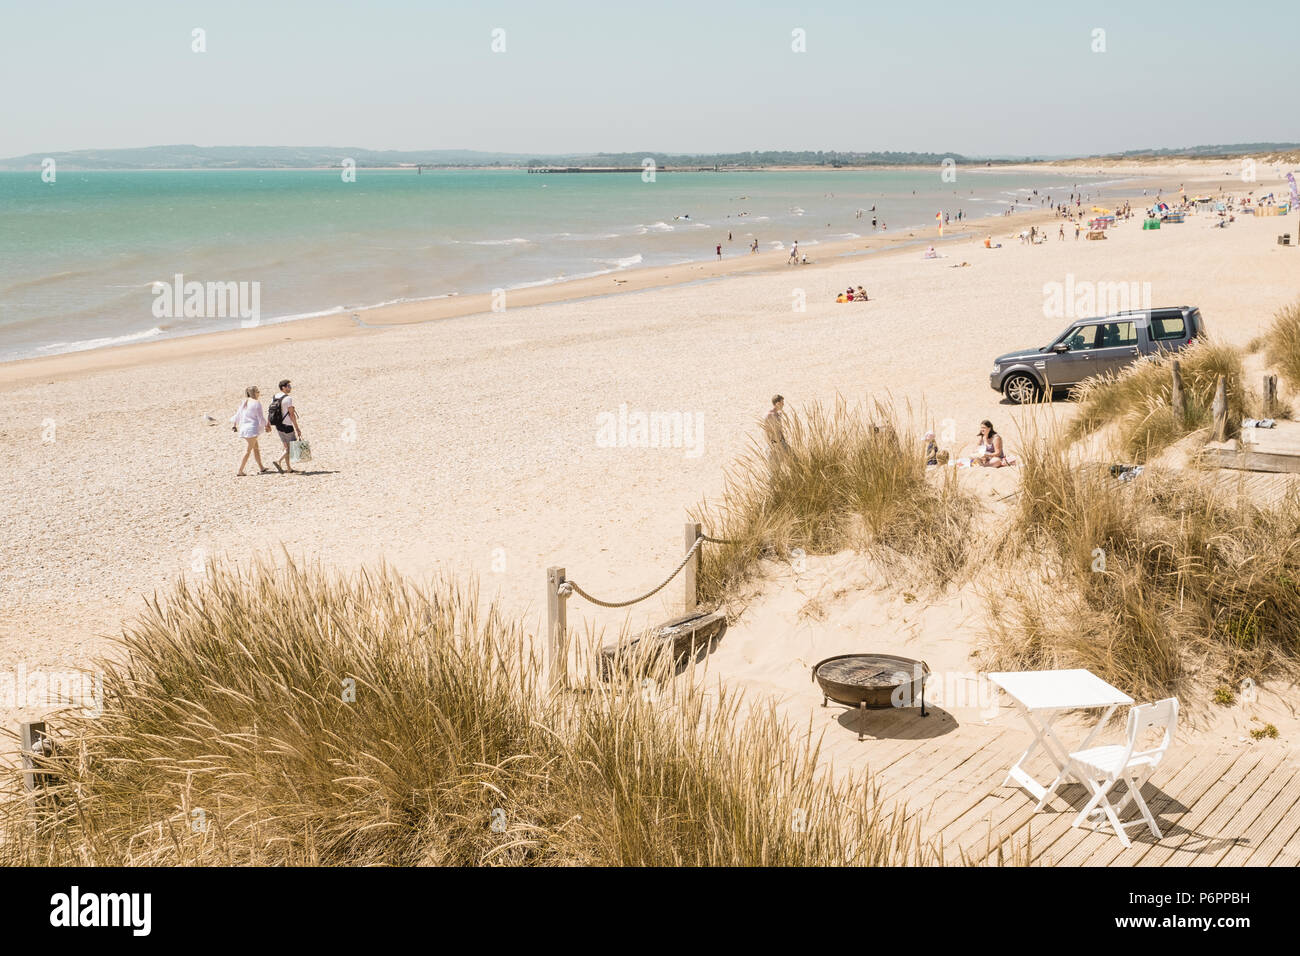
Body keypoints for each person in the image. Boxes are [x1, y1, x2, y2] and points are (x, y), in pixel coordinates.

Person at [230, 385, 271, 476]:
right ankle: (239, 470)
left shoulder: (244, 402)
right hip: (251, 430)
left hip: (244, 428)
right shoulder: (256, 403)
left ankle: (261, 467)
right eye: (258, 391)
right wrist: (266, 426)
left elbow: (237, 415)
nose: (259, 393)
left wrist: (234, 425)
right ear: (255, 393)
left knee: (256, 448)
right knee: (247, 451)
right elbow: (260, 418)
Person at [269, 378, 303, 474]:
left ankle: (289, 468)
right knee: (291, 448)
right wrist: (297, 428)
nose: (290, 388)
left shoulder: (275, 396)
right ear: (283, 387)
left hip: (278, 425)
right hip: (287, 425)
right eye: (288, 386)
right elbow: (292, 415)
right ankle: (278, 460)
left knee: (286, 446)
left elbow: (271, 411)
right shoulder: (288, 399)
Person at [764, 394, 789, 468]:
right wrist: (771, 446)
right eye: (782, 403)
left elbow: (780, 430)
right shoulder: (769, 415)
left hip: (782, 443)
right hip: (774, 445)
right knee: (774, 470)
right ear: (777, 403)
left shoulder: (779, 414)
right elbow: (766, 431)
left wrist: (784, 441)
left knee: (795, 461)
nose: (783, 405)